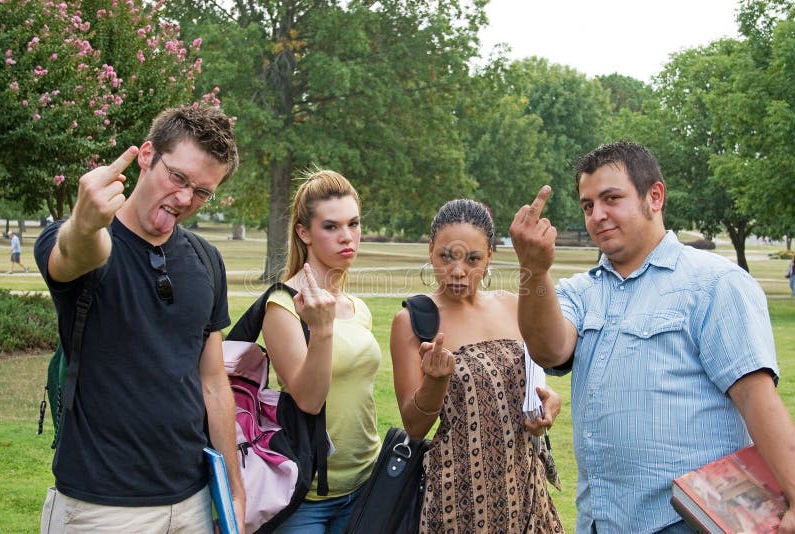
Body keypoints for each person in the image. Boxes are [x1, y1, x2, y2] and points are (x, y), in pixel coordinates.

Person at [509, 140, 795, 533]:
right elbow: (548, 349)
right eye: (588, 205)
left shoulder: (714, 283)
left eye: (611, 198)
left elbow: (755, 397)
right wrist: (533, 269)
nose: (598, 215)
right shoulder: (581, 291)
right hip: (601, 521)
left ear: (654, 196)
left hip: (685, 520)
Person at [34, 105, 246, 533]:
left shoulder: (207, 261)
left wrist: (234, 491)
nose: (186, 199)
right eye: (178, 177)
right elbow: (78, 253)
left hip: (191, 502)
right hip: (99, 508)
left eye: (202, 192)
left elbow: (212, 382)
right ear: (147, 155)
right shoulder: (88, 238)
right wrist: (86, 222)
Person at [390, 199, 564, 533]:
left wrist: (547, 402)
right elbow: (413, 427)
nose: (457, 271)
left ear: (489, 258)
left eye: (473, 259)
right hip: (459, 500)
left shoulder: (513, 306)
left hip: (525, 492)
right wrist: (436, 382)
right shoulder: (412, 321)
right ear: (430, 252)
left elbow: (530, 383)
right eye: (446, 256)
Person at [262, 169, 381, 533]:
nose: (347, 237)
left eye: (354, 223)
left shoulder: (358, 306)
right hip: (308, 495)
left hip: (367, 484)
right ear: (304, 232)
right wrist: (323, 328)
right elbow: (310, 400)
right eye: (331, 226)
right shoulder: (283, 305)